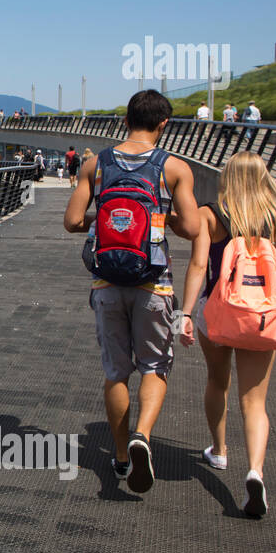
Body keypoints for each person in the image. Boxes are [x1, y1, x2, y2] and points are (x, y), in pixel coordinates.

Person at [176, 151, 276, 516]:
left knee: (217, 381)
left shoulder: (211, 215)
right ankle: (255, 471)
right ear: (263, 178)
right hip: (262, 317)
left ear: (227, 177)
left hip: (219, 313)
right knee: (255, 401)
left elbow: (198, 265)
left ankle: (220, 451)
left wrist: (186, 312)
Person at [64, 90, 199, 494]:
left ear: (125, 120)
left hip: (107, 283)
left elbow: (71, 222)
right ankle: (143, 434)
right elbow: (192, 229)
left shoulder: (95, 164)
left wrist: (107, 220)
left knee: (115, 372)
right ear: (164, 124)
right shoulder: (174, 168)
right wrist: (160, 216)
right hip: (153, 283)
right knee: (155, 366)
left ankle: (122, 457)